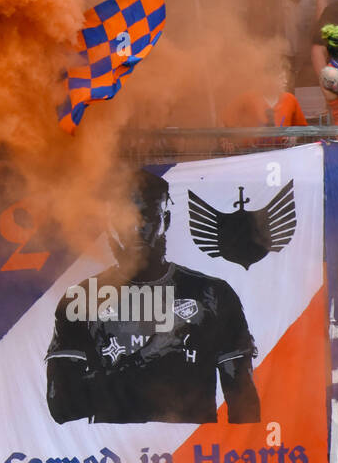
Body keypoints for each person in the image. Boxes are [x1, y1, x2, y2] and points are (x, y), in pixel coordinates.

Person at [45, 171, 260, 425]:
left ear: (165, 220)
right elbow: (61, 406)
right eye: (121, 218)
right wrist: (145, 363)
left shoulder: (212, 294)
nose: (135, 228)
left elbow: (244, 406)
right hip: (111, 459)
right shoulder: (81, 299)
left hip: (193, 457)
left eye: (145, 216)